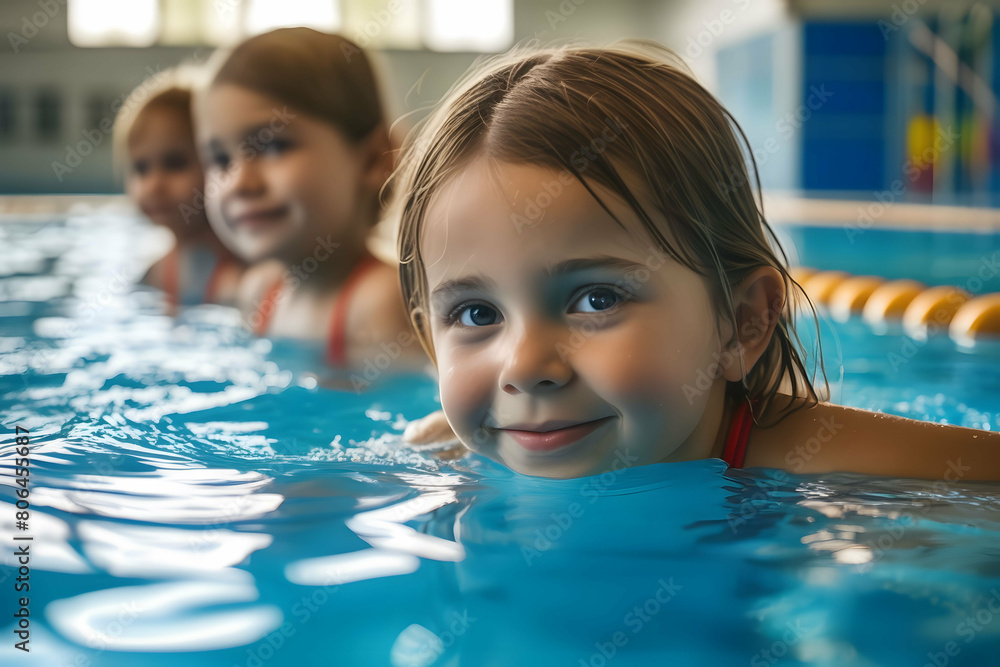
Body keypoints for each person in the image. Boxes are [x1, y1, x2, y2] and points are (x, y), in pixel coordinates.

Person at [396, 42, 1000, 480]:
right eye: (476, 314)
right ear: (429, 338)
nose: (525, 367)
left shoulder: (842, 471)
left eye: (596, 300)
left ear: (743, 324)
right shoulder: (447, 453)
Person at [197, 28, 425, 375]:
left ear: (375, 160)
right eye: (220, 160)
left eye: (273, 146)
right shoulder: (260, 290)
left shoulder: (380, 301)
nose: (239, 183)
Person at [114, 66, 245, 312]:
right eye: (141, 168)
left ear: (218, 165)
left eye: (175, 163)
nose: (154, 185)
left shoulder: (244, 274)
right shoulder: (155, 276)